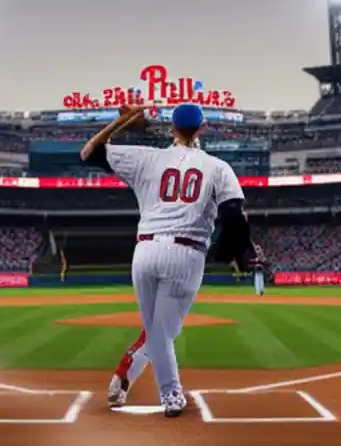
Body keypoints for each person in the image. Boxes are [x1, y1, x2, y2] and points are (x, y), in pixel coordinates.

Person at [81, 102, 254, 417]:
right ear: (202, 128)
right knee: (163, 331)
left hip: (144, 252)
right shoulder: (218, 166)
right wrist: (243, 253)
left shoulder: (147, 157)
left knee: (155, 329)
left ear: (172, 129)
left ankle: (126, 372)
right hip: (185, 254)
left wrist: (122, 121)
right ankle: (171, 394)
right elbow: (233, 214)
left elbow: (89, 153)